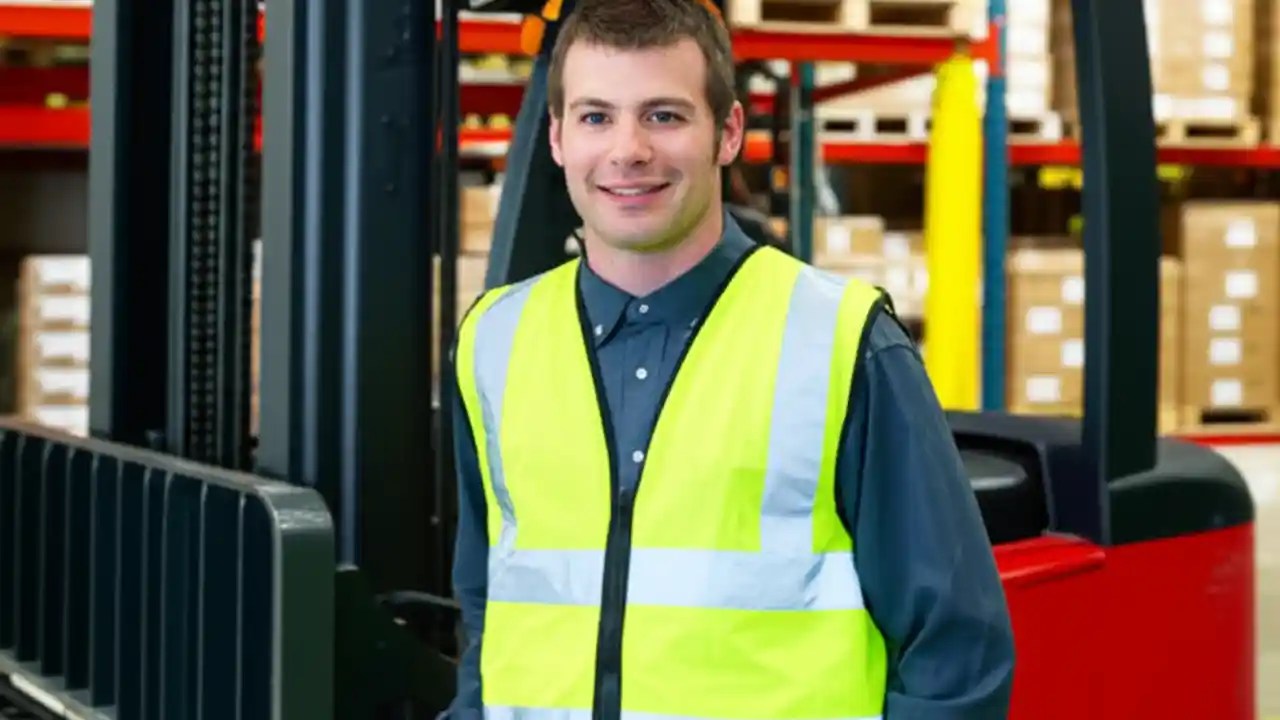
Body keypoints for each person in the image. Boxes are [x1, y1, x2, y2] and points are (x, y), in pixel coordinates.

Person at [446, 0, 1015, 718]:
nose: (627, 149)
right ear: (556, 138)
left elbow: (955, 654)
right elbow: (487, 607)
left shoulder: (842, 343)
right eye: (596, 117)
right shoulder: (494, 341)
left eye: (664, 115)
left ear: (728, 132)